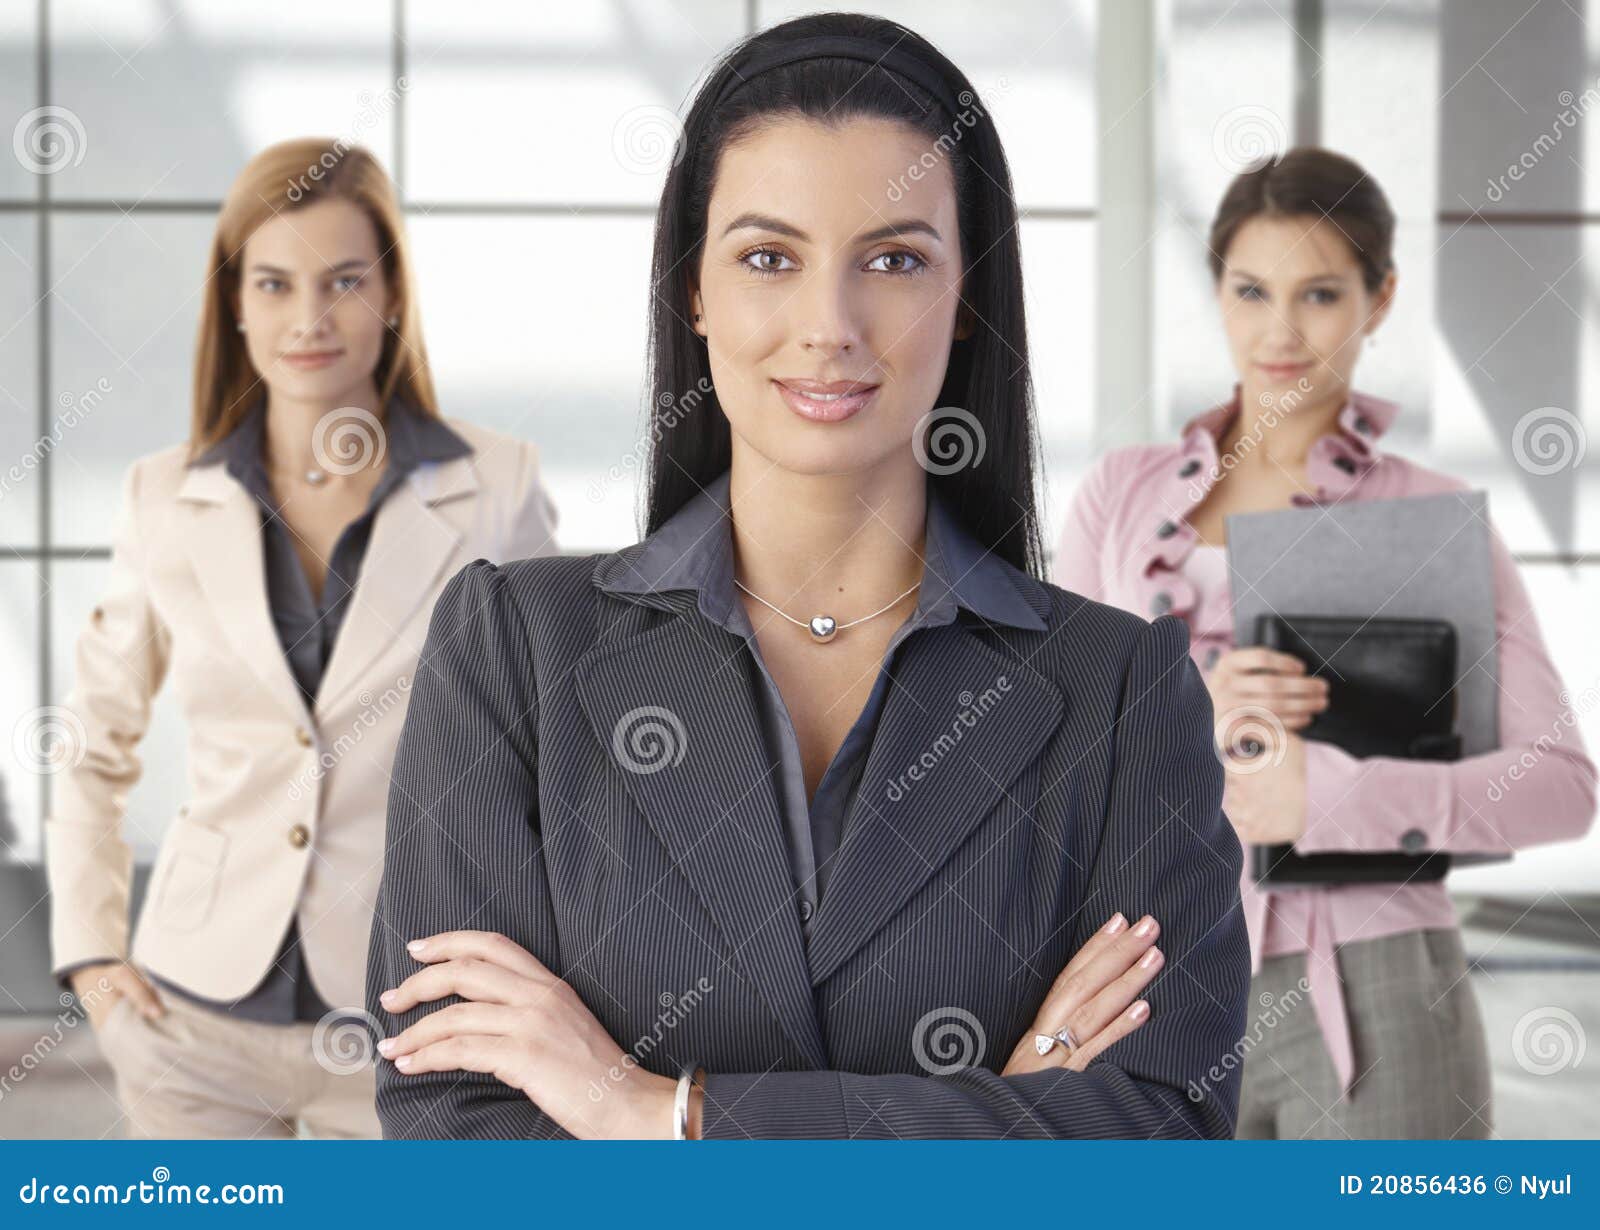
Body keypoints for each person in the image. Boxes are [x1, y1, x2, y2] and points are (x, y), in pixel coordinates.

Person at [366, 12, 1251, 1140]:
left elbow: (1154, 1136)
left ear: (967, 296)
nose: (828, 326)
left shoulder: (1121, 691)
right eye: (767, 258)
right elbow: (454, 1130)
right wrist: (1007, 1119)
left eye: (893, 260)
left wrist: (654, 1111)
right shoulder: (512, 650)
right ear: (694, 290)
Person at [1054, 146, 1597, 1138]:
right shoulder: (1117, 497)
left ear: (1378, 300)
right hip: (1147, 983)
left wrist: (1334, 793)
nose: (1279, 332)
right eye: (1250, 290)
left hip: (1378, 988)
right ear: (1215, 289)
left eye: (1319, 295)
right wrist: (1188, 704)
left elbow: (1562, 785)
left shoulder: (1436, 518)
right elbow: (1047, 761)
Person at [45, 138, 561, 1139]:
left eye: (344, 282)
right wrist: (91, 956)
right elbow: (91, 739)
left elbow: (552, 748)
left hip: (407, 1019)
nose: (309, 320)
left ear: (394, 294)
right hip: (191, 1022)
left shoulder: (494, 487)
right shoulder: (163, 496)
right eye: (275, 284)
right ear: (235, 302)